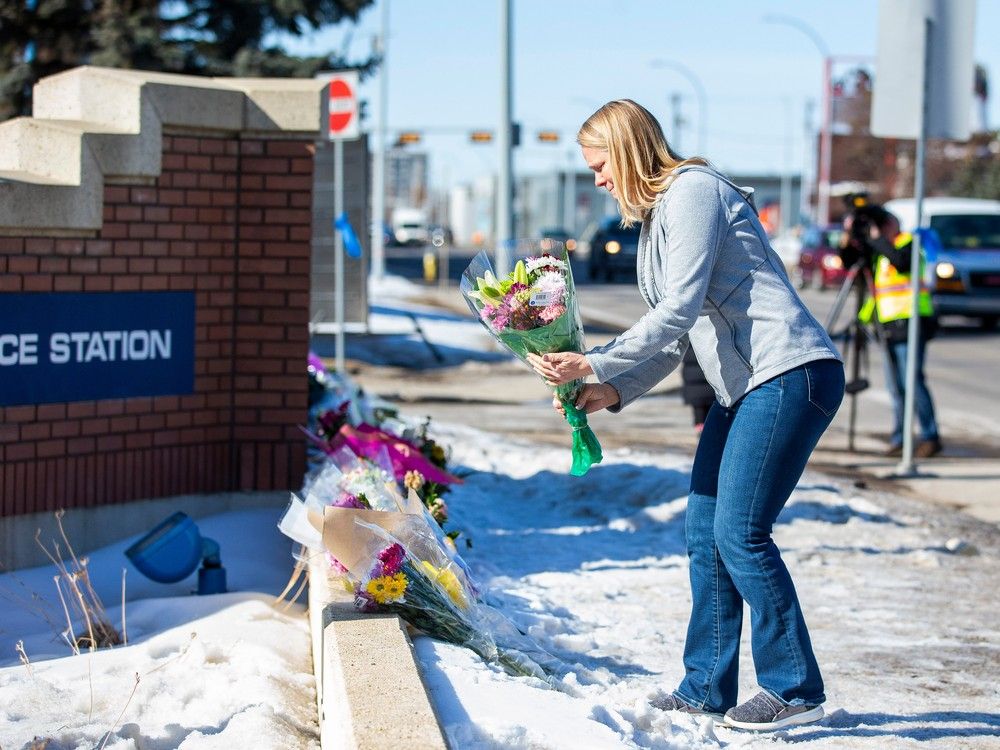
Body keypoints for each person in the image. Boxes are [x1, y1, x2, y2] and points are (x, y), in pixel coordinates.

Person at [526, 99, 845, 731]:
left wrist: (592, 362)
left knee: (740, 534)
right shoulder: (653, 226)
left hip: (787, 372)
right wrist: (610, 392)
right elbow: (677, 342)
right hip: (742, 389)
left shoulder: (694, 192)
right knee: (705, 533)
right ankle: (706, 686)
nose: (598, 180)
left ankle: (794, 687)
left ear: (629, 150)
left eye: (600, 165)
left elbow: (674, 312)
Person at [843, 206, 942, 458]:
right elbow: (850, 261)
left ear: (892, 224)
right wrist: (849, 236)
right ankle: (900, 437)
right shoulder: (878, 249)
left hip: (911, 321)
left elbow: (902, 262)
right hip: (886, 325)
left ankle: (930, 436)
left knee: (913, 382)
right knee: (895, 387)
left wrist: (877, 240)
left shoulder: (909, 242)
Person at [680, 347, 714, 432]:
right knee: (712, 410)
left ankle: (700, 428)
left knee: (698, 410)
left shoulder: (688, 339)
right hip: (709, 379)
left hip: (693, 381)